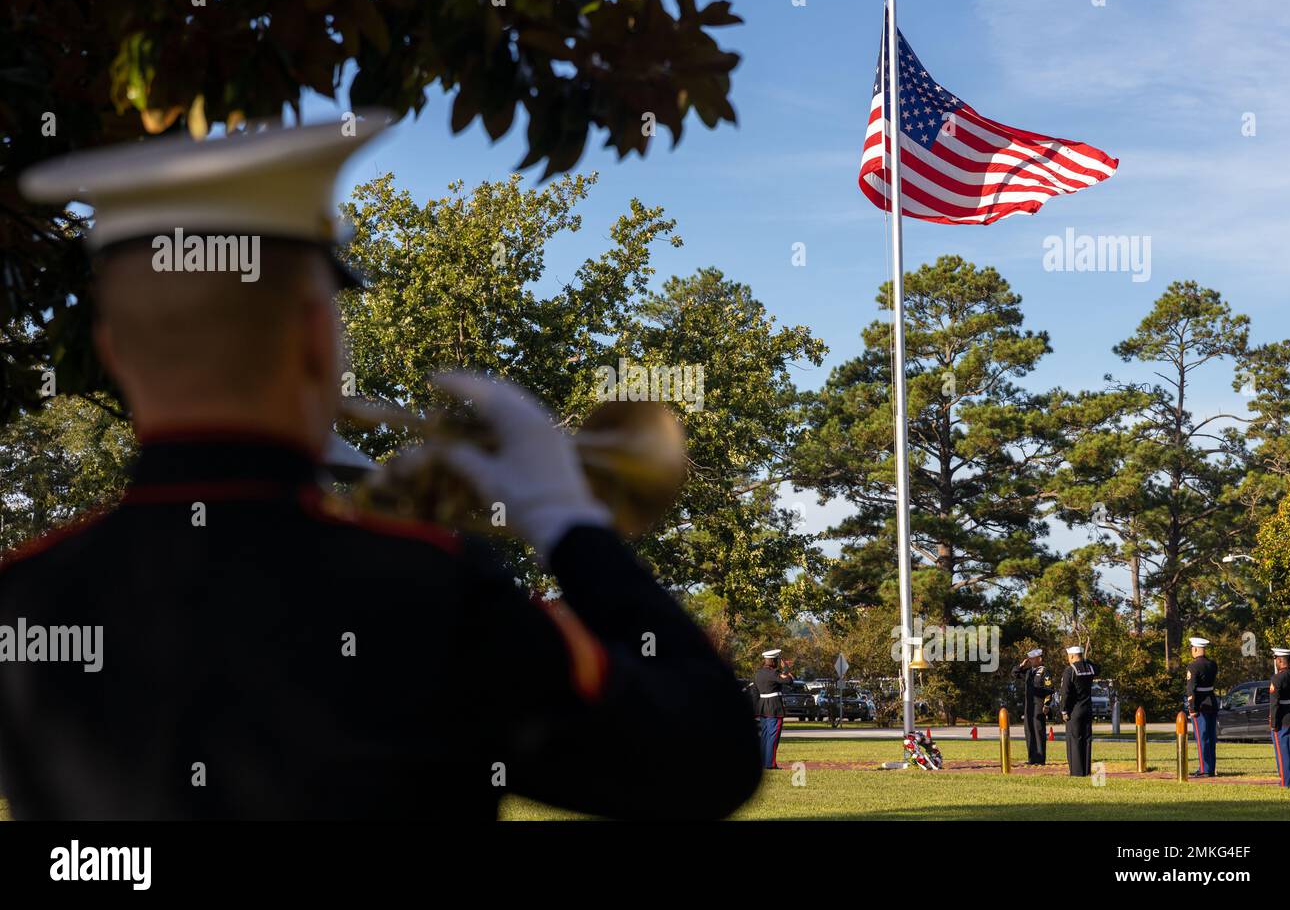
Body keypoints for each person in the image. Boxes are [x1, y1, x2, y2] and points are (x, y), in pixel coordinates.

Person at [0, 115, 761, 819]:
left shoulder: (23, 598)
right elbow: (712, 757)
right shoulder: (437, 593)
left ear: (112, 351)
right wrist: (570, 524)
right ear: (313, 337)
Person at [1058, 645, 1098, 777]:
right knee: (1086, 740)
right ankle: (1086, 770)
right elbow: (1098, 668)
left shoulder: (1070, 670)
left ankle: (1076, 772)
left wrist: (1063, 710)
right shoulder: (1090, 668)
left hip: (1074, 710)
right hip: (1087, 708)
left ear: (1072, 656)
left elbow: (1065, 692)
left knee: (1074, 740)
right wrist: (1086, 660)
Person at [754, 648, 793, 770]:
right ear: (773, 661)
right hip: (773, 707)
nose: (777, 663)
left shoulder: (759, 673)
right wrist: (786, 669)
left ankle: (763, 762)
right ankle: (770, 763)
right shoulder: (773, 673)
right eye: (776, 660)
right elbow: (789, 680)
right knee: (772, 736)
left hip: (762, 707)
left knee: (765, 736)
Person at [1012, 648, 1052, 765]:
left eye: (1033, 659)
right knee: (1029, 731)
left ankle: (1040, 759)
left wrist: (1047, 704)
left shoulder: (1045, 671)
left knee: (1038, 731)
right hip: (1029, 706)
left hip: (1039, 705)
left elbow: (1049, 690)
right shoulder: (1029, 672)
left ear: (1039, 659)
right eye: (1030, 659)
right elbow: (1014, 673)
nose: (1031, 661)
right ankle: (1032, 758)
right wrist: (1021, 665)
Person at [1185, 636, 1218, 778]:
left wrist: (1191, 708)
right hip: (1211, 701)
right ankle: (1210, 767)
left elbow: (1191, 689)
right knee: (1211, 737)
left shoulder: (1193, 666)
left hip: (1200, 704)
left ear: (1196, 649)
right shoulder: (1213, 664)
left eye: (1192, 648)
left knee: (1202, 737)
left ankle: (1204, 769)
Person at [1270, 648, 1290, 789]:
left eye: (1276, 659)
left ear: (1280, 660)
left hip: (1282, 718)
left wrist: (1273, 723)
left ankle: (1286, 782)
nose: (1275, 662)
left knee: (1283, 753)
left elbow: (1274, 704)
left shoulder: (1277, 678)